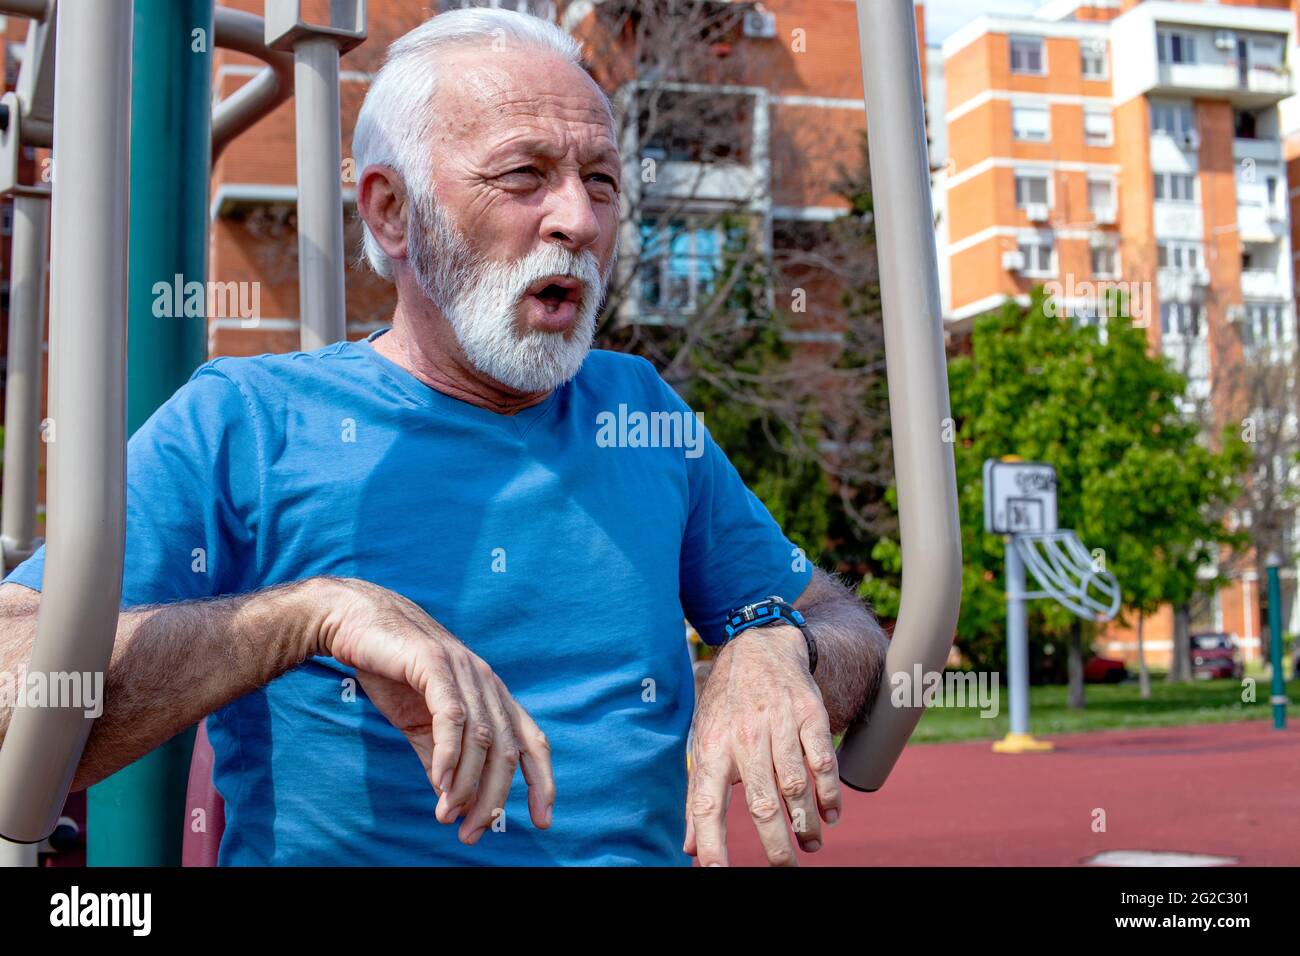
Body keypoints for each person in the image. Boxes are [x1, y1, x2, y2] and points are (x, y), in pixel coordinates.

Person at [0, 6, 887, 867]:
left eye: (603, 181)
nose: (578, 220)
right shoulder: (249, 418)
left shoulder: (639, 408)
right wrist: (311, 616)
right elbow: (13, 670)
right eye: (525, 176)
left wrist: (780, 642)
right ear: (392, 213)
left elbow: (845, 624)